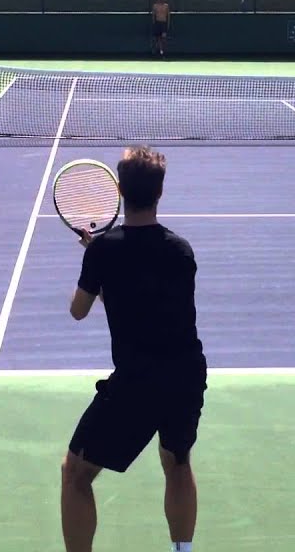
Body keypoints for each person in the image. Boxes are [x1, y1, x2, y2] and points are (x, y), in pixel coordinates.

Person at [62, 145, 207, 552]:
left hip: (137, 383)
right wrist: (106, 262)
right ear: (160, 193)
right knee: (177, 463)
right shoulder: (181, 250)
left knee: (75, 474)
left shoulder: (105, 251)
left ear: (120, 190)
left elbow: (78, 311)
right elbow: (153, 305)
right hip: (186, 376)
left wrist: (98, 261)